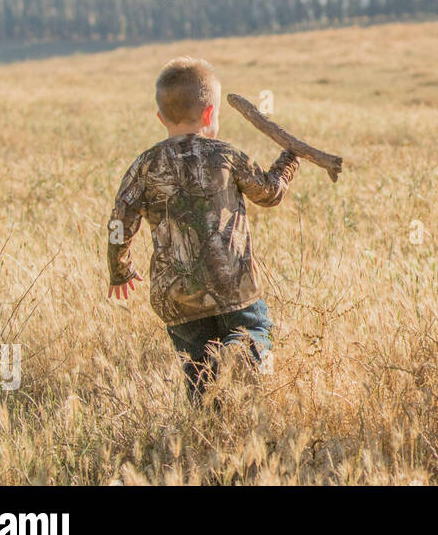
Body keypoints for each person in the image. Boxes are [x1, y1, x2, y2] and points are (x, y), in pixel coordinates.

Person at [106, 57, 300, 402]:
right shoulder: (225, 156)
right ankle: (245, 351)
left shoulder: (144, 165)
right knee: (255, 330)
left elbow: (120, 221)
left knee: (198, 372)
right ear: (211, 115)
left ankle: (207, 428)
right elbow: (269, 194)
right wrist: (290, 160)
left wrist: (120, 270)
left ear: (161, 118)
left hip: (177, 296)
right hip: (232, 287)